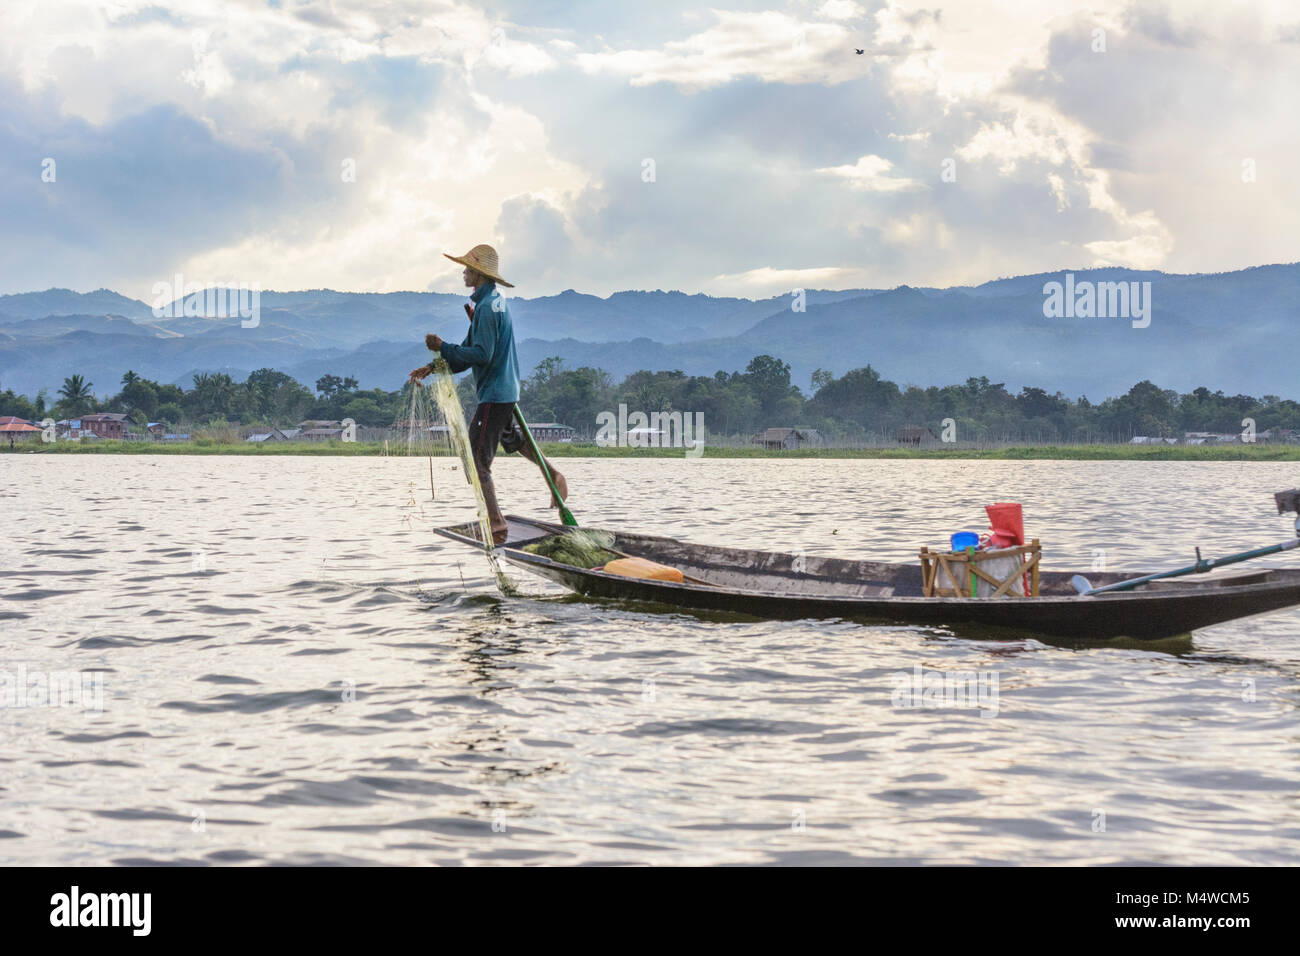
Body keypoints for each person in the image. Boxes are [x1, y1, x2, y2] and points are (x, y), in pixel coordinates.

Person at [410, 244, 568, 545]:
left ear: (479, 273)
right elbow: (466, 355)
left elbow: (481, 354)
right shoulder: (493, 302)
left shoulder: (485, 307)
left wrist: (442, 345)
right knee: (511, 439)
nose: (464, 272)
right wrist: (433, 366)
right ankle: (553, 474)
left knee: (476, 461)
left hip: (495, 393)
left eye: (468, 268)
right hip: (505, 390)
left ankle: (496, 523)